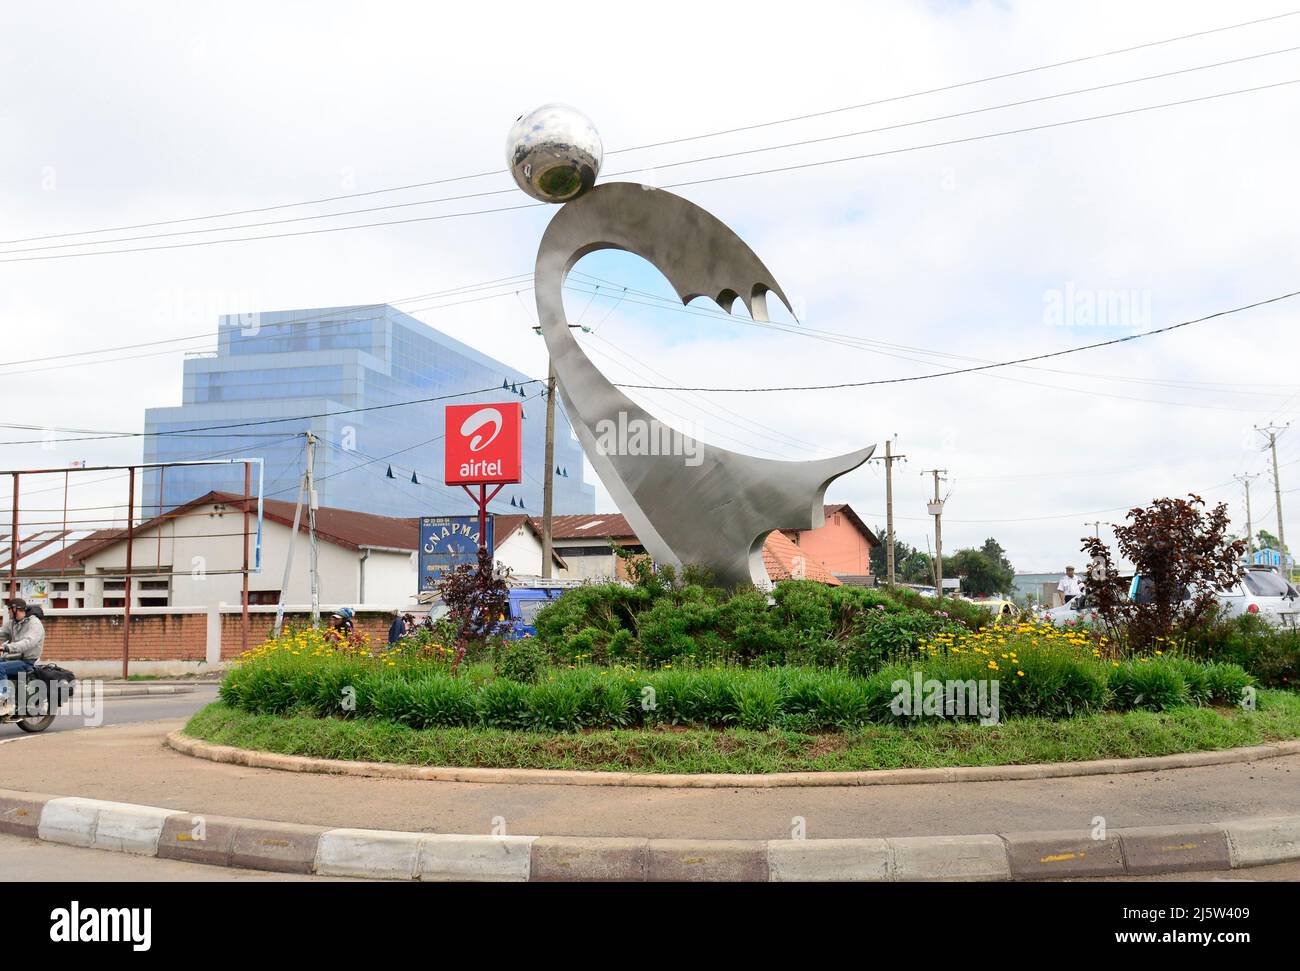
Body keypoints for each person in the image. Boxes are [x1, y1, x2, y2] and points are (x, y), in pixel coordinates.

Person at [0, 599, 44, 716]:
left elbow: (28, 642)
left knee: (0, 668)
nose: (8, 612)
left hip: (28, 661)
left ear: (15, 609)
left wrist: (7, 648)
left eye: (9, 609)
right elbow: (2, 634)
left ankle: (5, 702)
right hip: (13, 658)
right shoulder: (12, 623)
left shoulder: (34, 624)